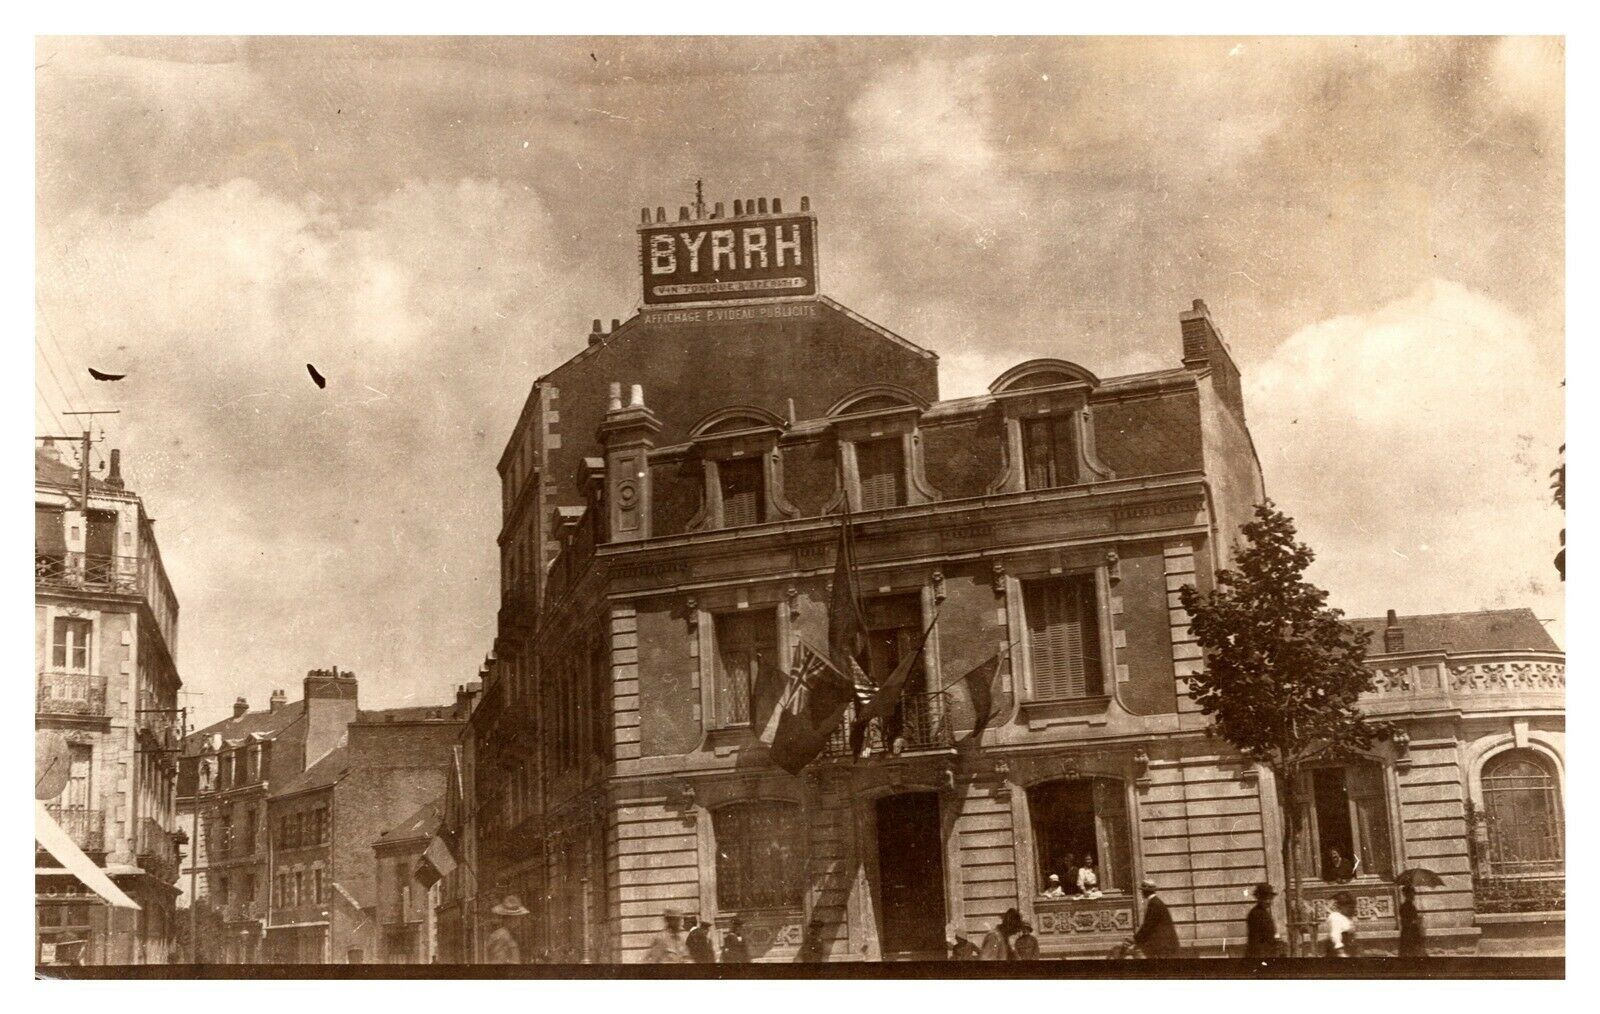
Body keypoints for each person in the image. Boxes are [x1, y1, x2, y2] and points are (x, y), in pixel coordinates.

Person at [1129, 878, 1180, 957]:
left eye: (1142, 890)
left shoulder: (1154, 904)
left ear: (1146, 891)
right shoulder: (1156, 902)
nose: (1141, 893)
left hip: (1163, 946)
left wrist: (1135, 939)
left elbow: (1148, 925)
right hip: (1165, 944)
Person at [485, 894, 529, 964]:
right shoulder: (500, 936)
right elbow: (497, 962)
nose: (519, 921)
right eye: (517, 918)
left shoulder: (509, 934)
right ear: (509, 919)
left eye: (519, 917)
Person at [1244, 882, 1282, 959]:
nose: (1268, 901)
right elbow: (1256, 940)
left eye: (1270, 898)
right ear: (1259, 898)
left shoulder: (1264, 913)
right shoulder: (1256, 914)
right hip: (1260, 954)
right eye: (1265, 898)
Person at [1322, 892, 1356, 957]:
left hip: (1347, 950)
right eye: (1349, 907)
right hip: (1337, 952)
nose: (1352, 910)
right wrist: (1341, 952)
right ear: (1341, 907)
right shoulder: (1336, 917)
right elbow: (1335, 934)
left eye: (1353, 908)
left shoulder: (1347, 918)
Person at [1397, 885, 1427, 958]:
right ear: (1407, 894)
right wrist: (1417, 920)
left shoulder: (1409, 905)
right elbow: (1406, 921)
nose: (1414, 895)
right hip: (1410, 934)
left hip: (1410, 933)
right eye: (1412, 893)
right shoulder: (1406, 906)